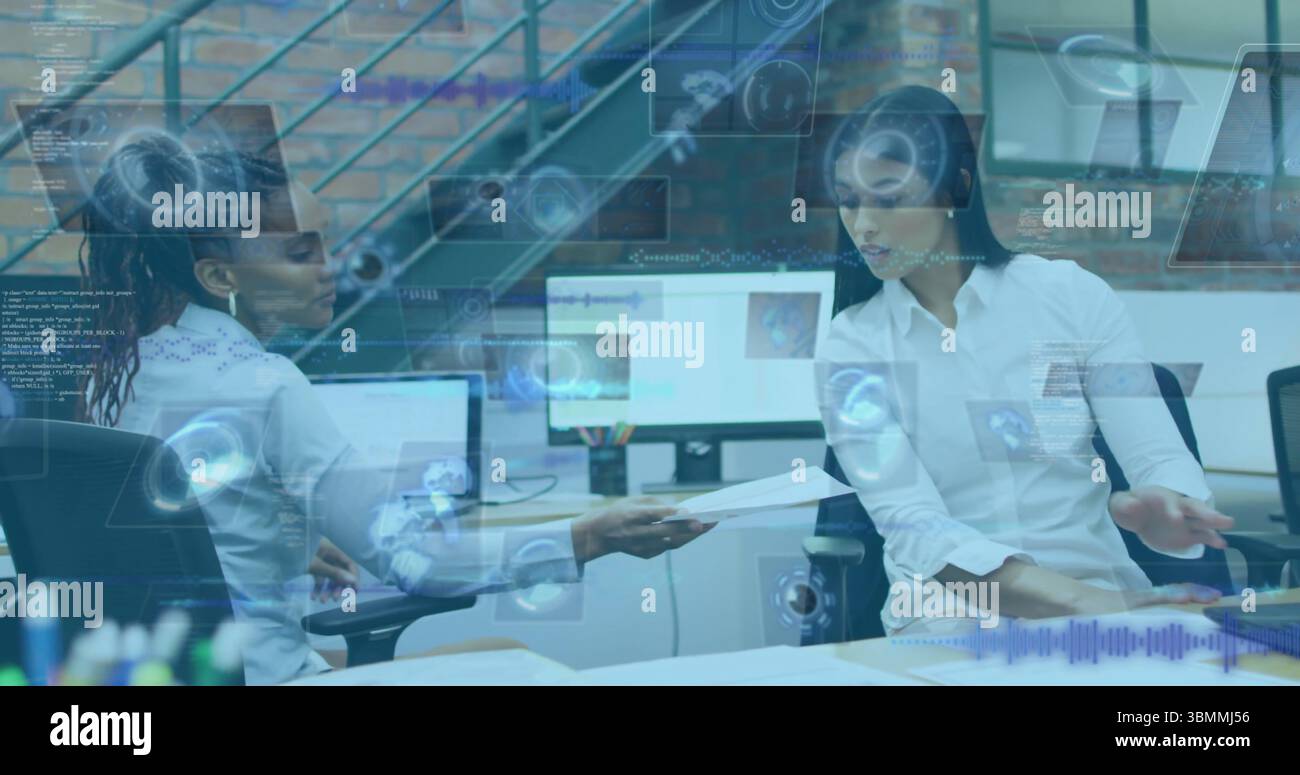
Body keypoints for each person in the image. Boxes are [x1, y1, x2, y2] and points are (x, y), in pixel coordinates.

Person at [77, 135, 710, 683]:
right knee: (510, 653)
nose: (332, 268)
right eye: (302, 254)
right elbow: (419, 561)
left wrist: (285, 546)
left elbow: (174, 534)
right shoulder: (266, 384)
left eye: (327, 244)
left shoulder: (120, 374)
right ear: (222, 279)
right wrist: (591, 534)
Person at [813, 86, 1233, 635]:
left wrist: (1171, 509)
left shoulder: (1071, 297)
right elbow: (918, 531)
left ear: (955, 188)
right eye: (849, 200)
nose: (863, 225)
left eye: (888, 198)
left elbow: (1156, 453)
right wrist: (1087, 603)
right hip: (953, 622)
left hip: (1105, 602)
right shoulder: (851, 346)